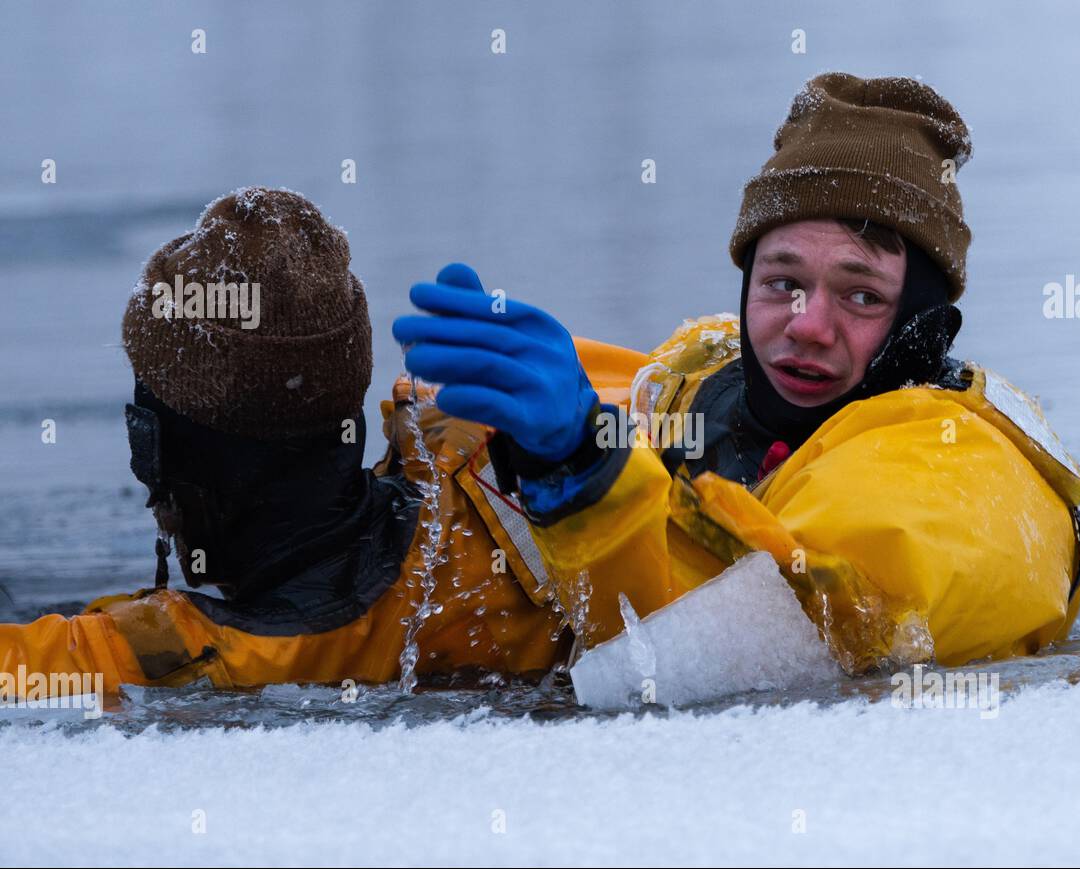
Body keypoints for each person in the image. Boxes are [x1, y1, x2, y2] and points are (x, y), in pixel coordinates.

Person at [393, 73, 1080, 671]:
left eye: (861, 296)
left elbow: (719, 659)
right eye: (782, 281)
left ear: (925, 328)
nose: (807, 325)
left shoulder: (944, 489)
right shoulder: (704, 382)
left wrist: (581, 464)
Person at [0, 187, 645, 696]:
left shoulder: (171, 662)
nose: (148, 483)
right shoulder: (500, 460)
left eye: (148, 434)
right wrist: (585, 462)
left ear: (205, 453)